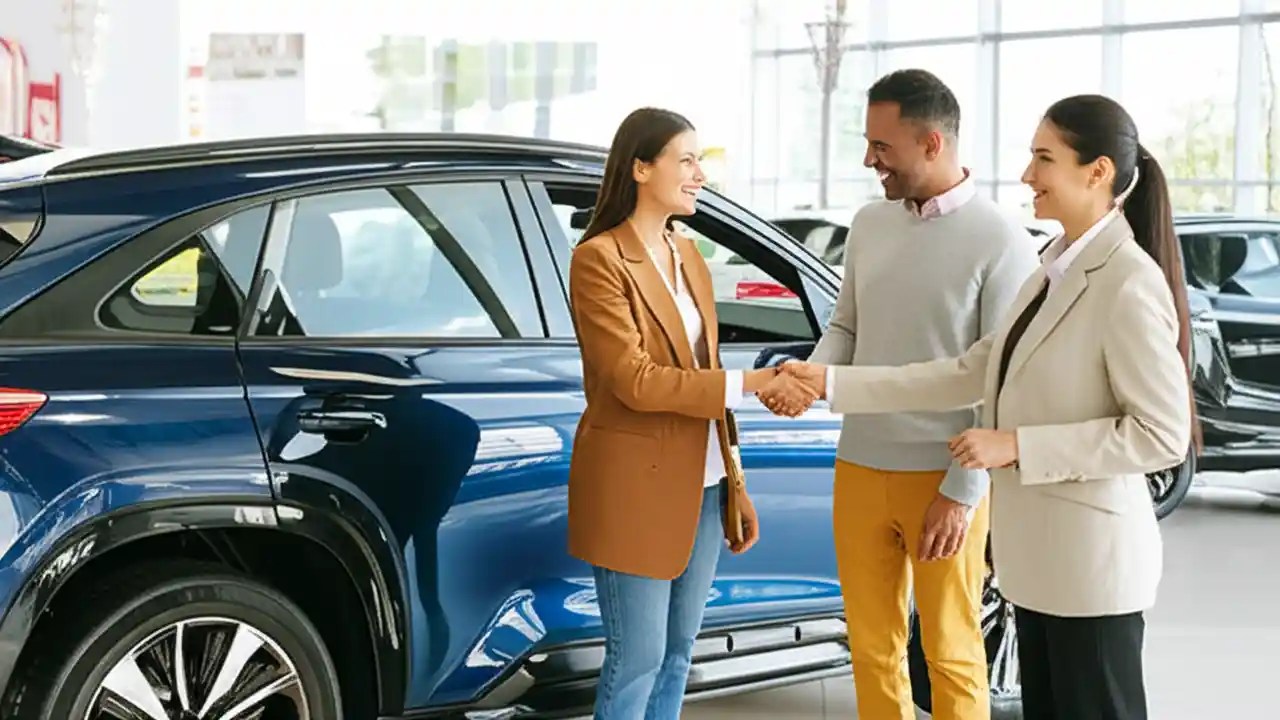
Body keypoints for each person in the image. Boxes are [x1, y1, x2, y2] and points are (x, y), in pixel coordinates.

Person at [778, 93, 1195, 720]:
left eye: (1043, 158)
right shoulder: (1051, 267)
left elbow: (1162, 434)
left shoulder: (1126, 281)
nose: (1027, 175)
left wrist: (1016, 444)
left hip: (1091, 572)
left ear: (1098, 172)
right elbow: (969, 371)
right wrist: (831, 384)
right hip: (1042, 568)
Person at [763, 68, 1039, 720]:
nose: (869, 160)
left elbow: (999, 383)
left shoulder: (1001, 242)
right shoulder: (869, 224)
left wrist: (963, 491)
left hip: (943, 478)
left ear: (933, 144)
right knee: (870, 645)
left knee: (949, 648)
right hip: (859, 465)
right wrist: (808, 379)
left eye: (882, 146)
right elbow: (846, 326)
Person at [567, 106, 807, 720]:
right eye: (687, 159)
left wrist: (736, 483)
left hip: (702, 483)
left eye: (700, 160)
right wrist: (753, 383)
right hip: (635, 487)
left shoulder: (688, 255)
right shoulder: (599, 259)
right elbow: (635, 382)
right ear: (642, 168)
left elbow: (702, 369)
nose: (700, 173)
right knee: (637, 658)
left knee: (678, 655)